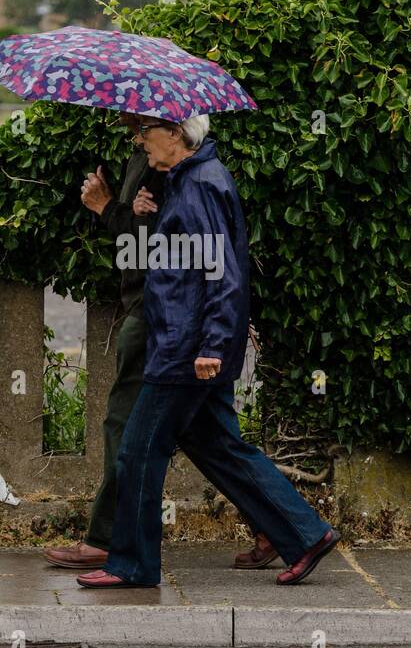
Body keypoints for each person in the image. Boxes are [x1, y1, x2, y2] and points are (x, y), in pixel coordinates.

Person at [77, 115, 340, 589]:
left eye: (147, 132)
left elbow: (223, 273)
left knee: (138, 451)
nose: (140, 140)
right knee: (219, 446)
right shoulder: (189, 178)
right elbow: (182, 256)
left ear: (176, 133)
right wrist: (146, 215)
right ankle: (305, 534)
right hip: (188, 342)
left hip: (186, 350)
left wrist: (212, 346)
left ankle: (133, 565)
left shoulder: (198, 184)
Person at [42, 111, 278, 571]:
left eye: (139, 122)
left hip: (160, 317)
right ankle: (279, 526)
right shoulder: (148, 153)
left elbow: (163, 245)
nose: (125, 122)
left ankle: (110, 539)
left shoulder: (168, 163)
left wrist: (106, 208)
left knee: (125, 428)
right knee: (215, 437)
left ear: (167, 127)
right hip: (171, 317)